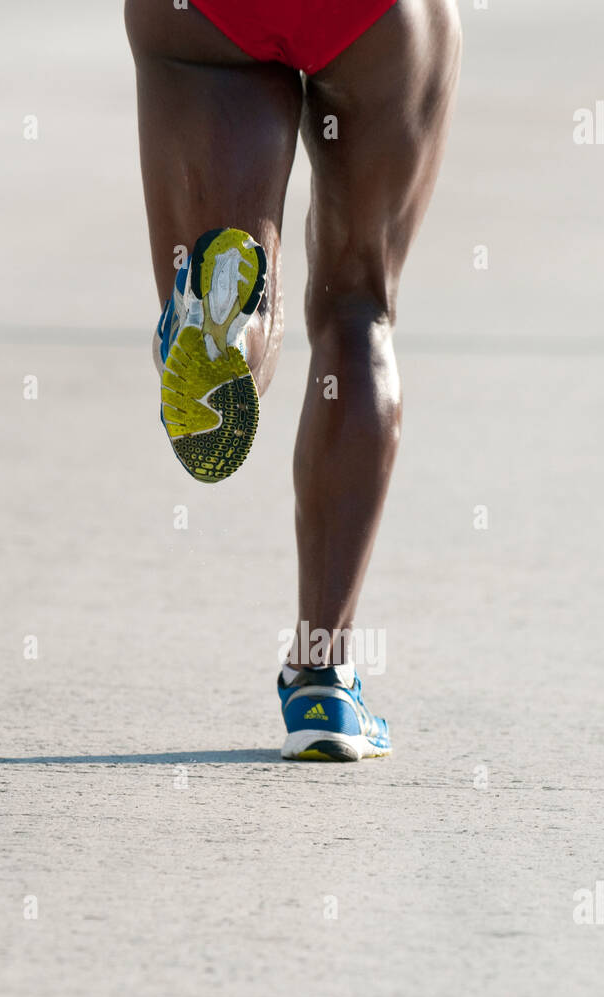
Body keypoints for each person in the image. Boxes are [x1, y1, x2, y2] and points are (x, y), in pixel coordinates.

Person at [125, 0, 461, 760]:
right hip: (375, 19)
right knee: (358, 311)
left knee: (230, 255)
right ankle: (323, 679)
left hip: (206, 17)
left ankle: (221, 329)